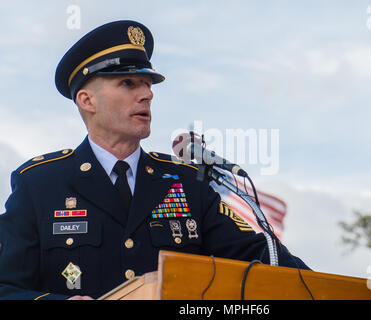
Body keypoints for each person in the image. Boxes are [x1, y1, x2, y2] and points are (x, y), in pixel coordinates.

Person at [0, 20, 310, 300]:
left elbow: (262, 258)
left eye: (147, 84)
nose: (146, 94)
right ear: (87, 100)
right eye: (128, 84)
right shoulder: (40, 184)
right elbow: (6, 287)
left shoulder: (186, 183)